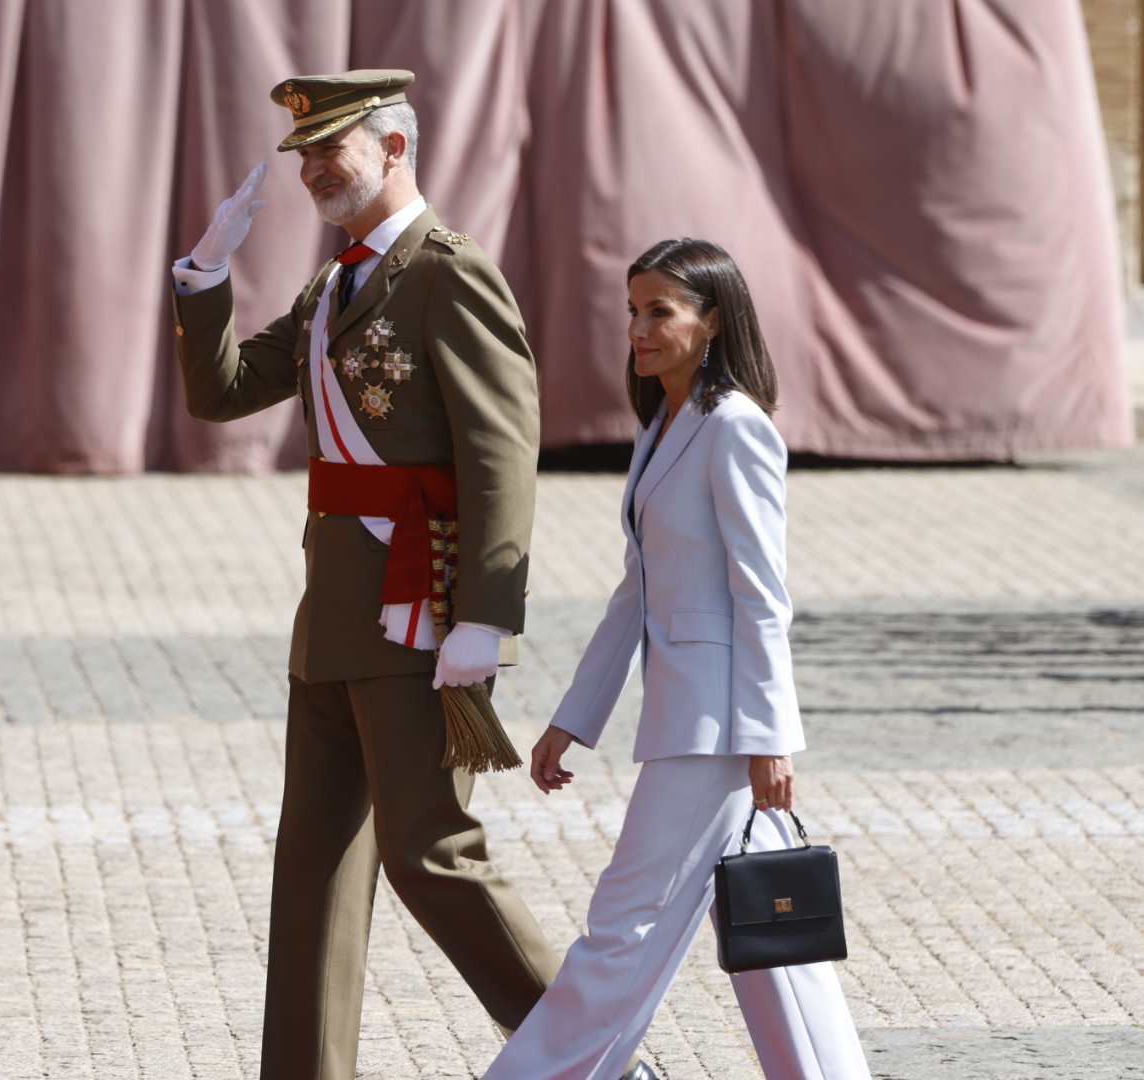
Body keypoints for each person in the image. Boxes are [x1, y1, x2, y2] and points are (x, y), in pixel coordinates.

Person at [170, 71, 655, 1080]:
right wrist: (205, 273)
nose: (311, 171)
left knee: (431, 855)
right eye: (303, 154)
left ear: (393, 149)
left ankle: (591, 1057)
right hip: (335, 621)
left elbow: (499, 450)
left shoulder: (448, 273)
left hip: (417, 616)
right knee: (314, 874)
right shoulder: (334, 283)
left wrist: (486, 619)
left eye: (329, 151)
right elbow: (221, 394)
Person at [481, 238, 871, 1079]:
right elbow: (636, 591)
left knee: (625, 926)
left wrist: (772, 738)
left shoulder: (735, 428)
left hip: (719, 729)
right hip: (692, 720)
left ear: (713, 320)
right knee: (777, 947)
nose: (639, 328)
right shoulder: (662, 425)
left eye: (661, 310)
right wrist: (572, 720)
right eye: (632, 310)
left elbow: (762, 596)